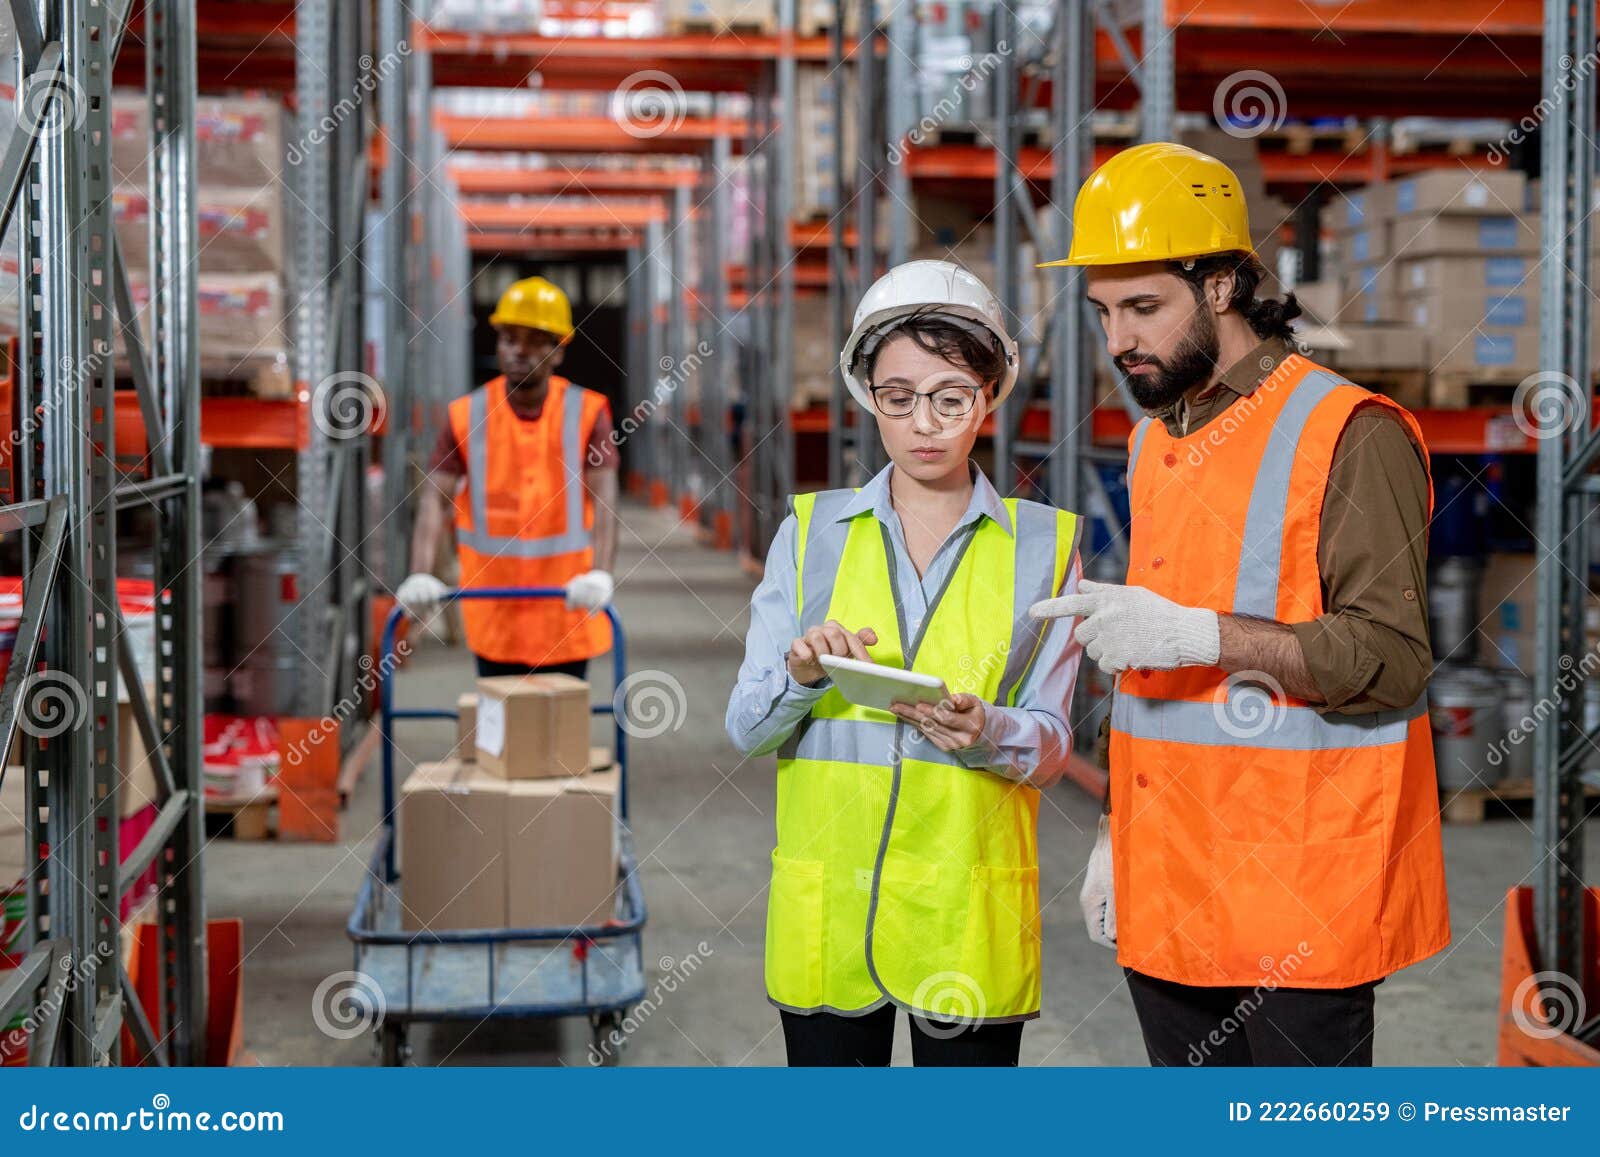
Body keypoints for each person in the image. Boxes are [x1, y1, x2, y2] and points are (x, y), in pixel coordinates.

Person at [1032, 141, 1450, 1067]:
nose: (1120, 339)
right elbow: (1142, 666)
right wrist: (1113, 835)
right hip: (1170, 878)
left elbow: (1390, 657)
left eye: (1144, 307)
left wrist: (1199, 635)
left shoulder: (1349, 430)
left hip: (1299, 894)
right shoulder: (1155, 443)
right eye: (1103, 312)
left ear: (1221, 284)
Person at [726, 260, 1084, 1067]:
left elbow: (1056, 744)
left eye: (950, 396)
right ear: (868, 398)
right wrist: (803, 677)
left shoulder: (1046, 547)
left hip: (966, 914)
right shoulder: (810, 533)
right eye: (898, 397)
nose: (924, 422)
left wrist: (988, 729)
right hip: (832, 919)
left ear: (989, 396)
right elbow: (746, 726)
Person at [396, 276, 619, 678]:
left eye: (535, 339)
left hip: (565, 608)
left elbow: (605, 501)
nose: (520, 349)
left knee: (559, 729)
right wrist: (420, 571)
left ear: (558, 351)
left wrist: (601, 571)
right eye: (510, 338)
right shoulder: (466, 415)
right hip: (494, 608)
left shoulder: (587, 413)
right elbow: (435, 499)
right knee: (501, 732)